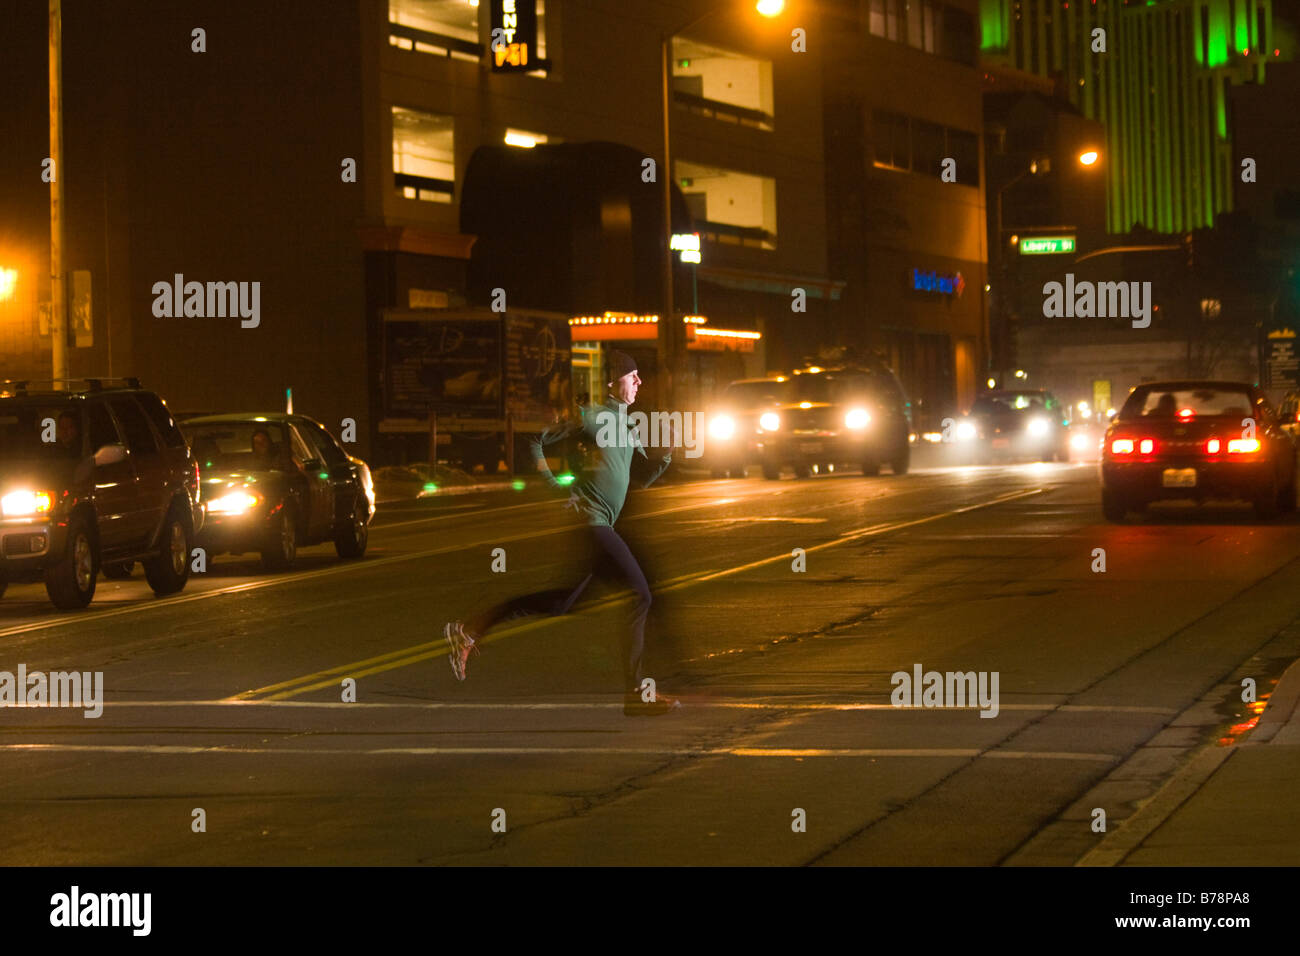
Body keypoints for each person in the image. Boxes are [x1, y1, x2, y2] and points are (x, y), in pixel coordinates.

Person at [442, 350, 681, 717]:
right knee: (642, 595)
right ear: (615, 380)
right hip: (594, 523)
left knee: (563, 603)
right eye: (632, 376)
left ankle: (473, 628)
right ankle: (636, 694)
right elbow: (534, 441)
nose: (639, 382)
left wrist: (663, 459)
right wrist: (557, 488)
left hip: (605, 524)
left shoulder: (629, 426)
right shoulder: (590, 416)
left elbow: (636, 481)